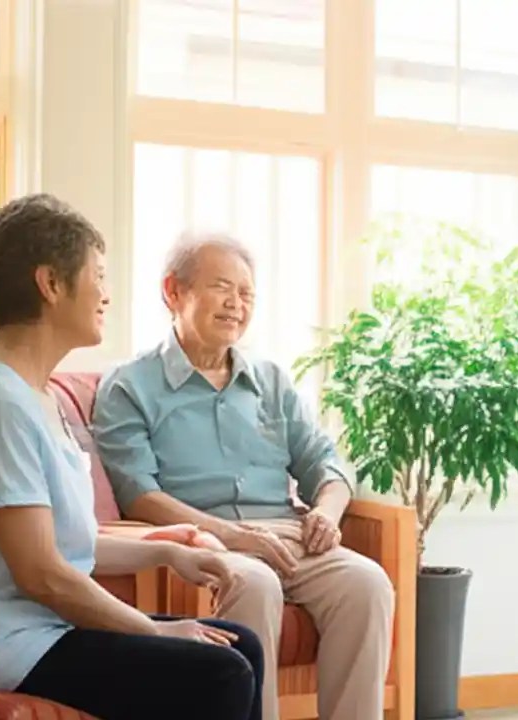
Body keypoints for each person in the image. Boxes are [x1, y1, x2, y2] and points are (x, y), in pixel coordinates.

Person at [0, 194, 265, 720]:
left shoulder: (36, 393)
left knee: (240, 645)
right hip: (9, 644)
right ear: (50, 284)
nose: (106, 293)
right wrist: (155, 630)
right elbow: (42, 574)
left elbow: (60, 544)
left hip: (47, 629)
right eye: (98, 276)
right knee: (219, 669)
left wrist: (164, 553)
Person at [92, 231, 394, 720]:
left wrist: (326, 512)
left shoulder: (271, 381)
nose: (236, 304)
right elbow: (139, 494)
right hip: (203, 538)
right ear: (174, 291)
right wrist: (231, 535)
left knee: (367, 583)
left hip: (290, 535)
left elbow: (328, 465)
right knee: (254, 583)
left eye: (247, 293)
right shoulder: (130, 385)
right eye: (221, 287)